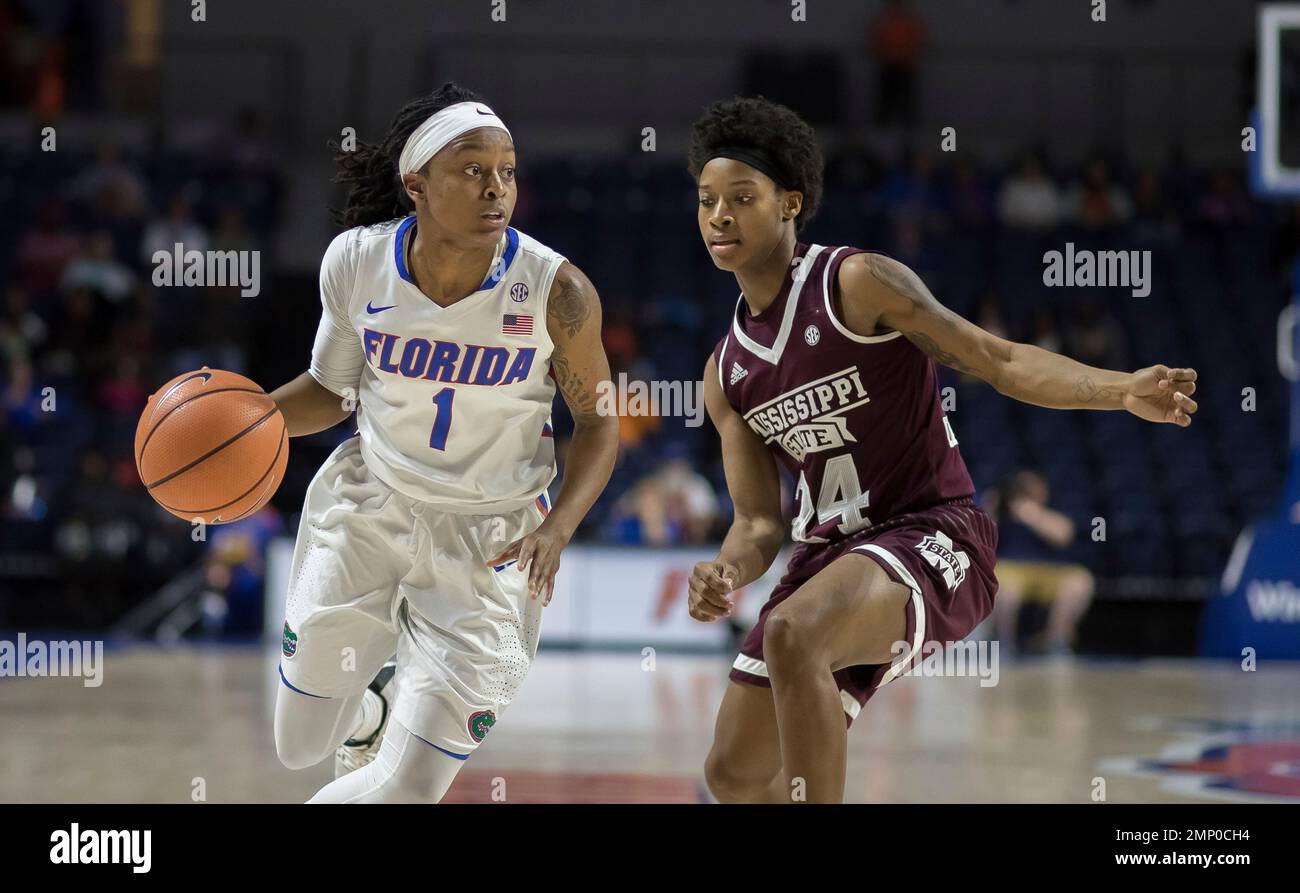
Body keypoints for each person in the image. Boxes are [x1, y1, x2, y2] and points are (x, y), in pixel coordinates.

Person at [685, 96, 1199, 803]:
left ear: (789, 203)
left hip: (930, 531)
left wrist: (1121, 389)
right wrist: (726, 567)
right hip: (826, 555)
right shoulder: (726, 371)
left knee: (794, 632)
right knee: (734, 772)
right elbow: (759, 523)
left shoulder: (856, 284)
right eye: (708, 199)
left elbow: (998, 359)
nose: (719, 216)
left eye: (741, 198)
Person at [267, 82, 619, 803]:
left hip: (493, 539)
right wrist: (243, 420)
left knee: (409, 790)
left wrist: (560, 527)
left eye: (508, 171)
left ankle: (396, 719)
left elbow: (602, 420)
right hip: (372, 505)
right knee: (300, 744)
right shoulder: (357, 262)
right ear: (416, 183)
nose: (497, 188)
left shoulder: (558, 292)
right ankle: (372, 710)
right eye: (472, 168)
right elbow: (331, 394)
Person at [987, 470, 1094, 655]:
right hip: (1011, 568)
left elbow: (1063, 535)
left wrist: (1032, 515)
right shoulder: (1003, 510)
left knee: (1079, 582)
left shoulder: (1055, 506)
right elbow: (982, 538)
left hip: (1049, 570)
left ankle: (1057, 641)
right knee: (1004, 590)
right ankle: (1003, 642)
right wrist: (992, 509)